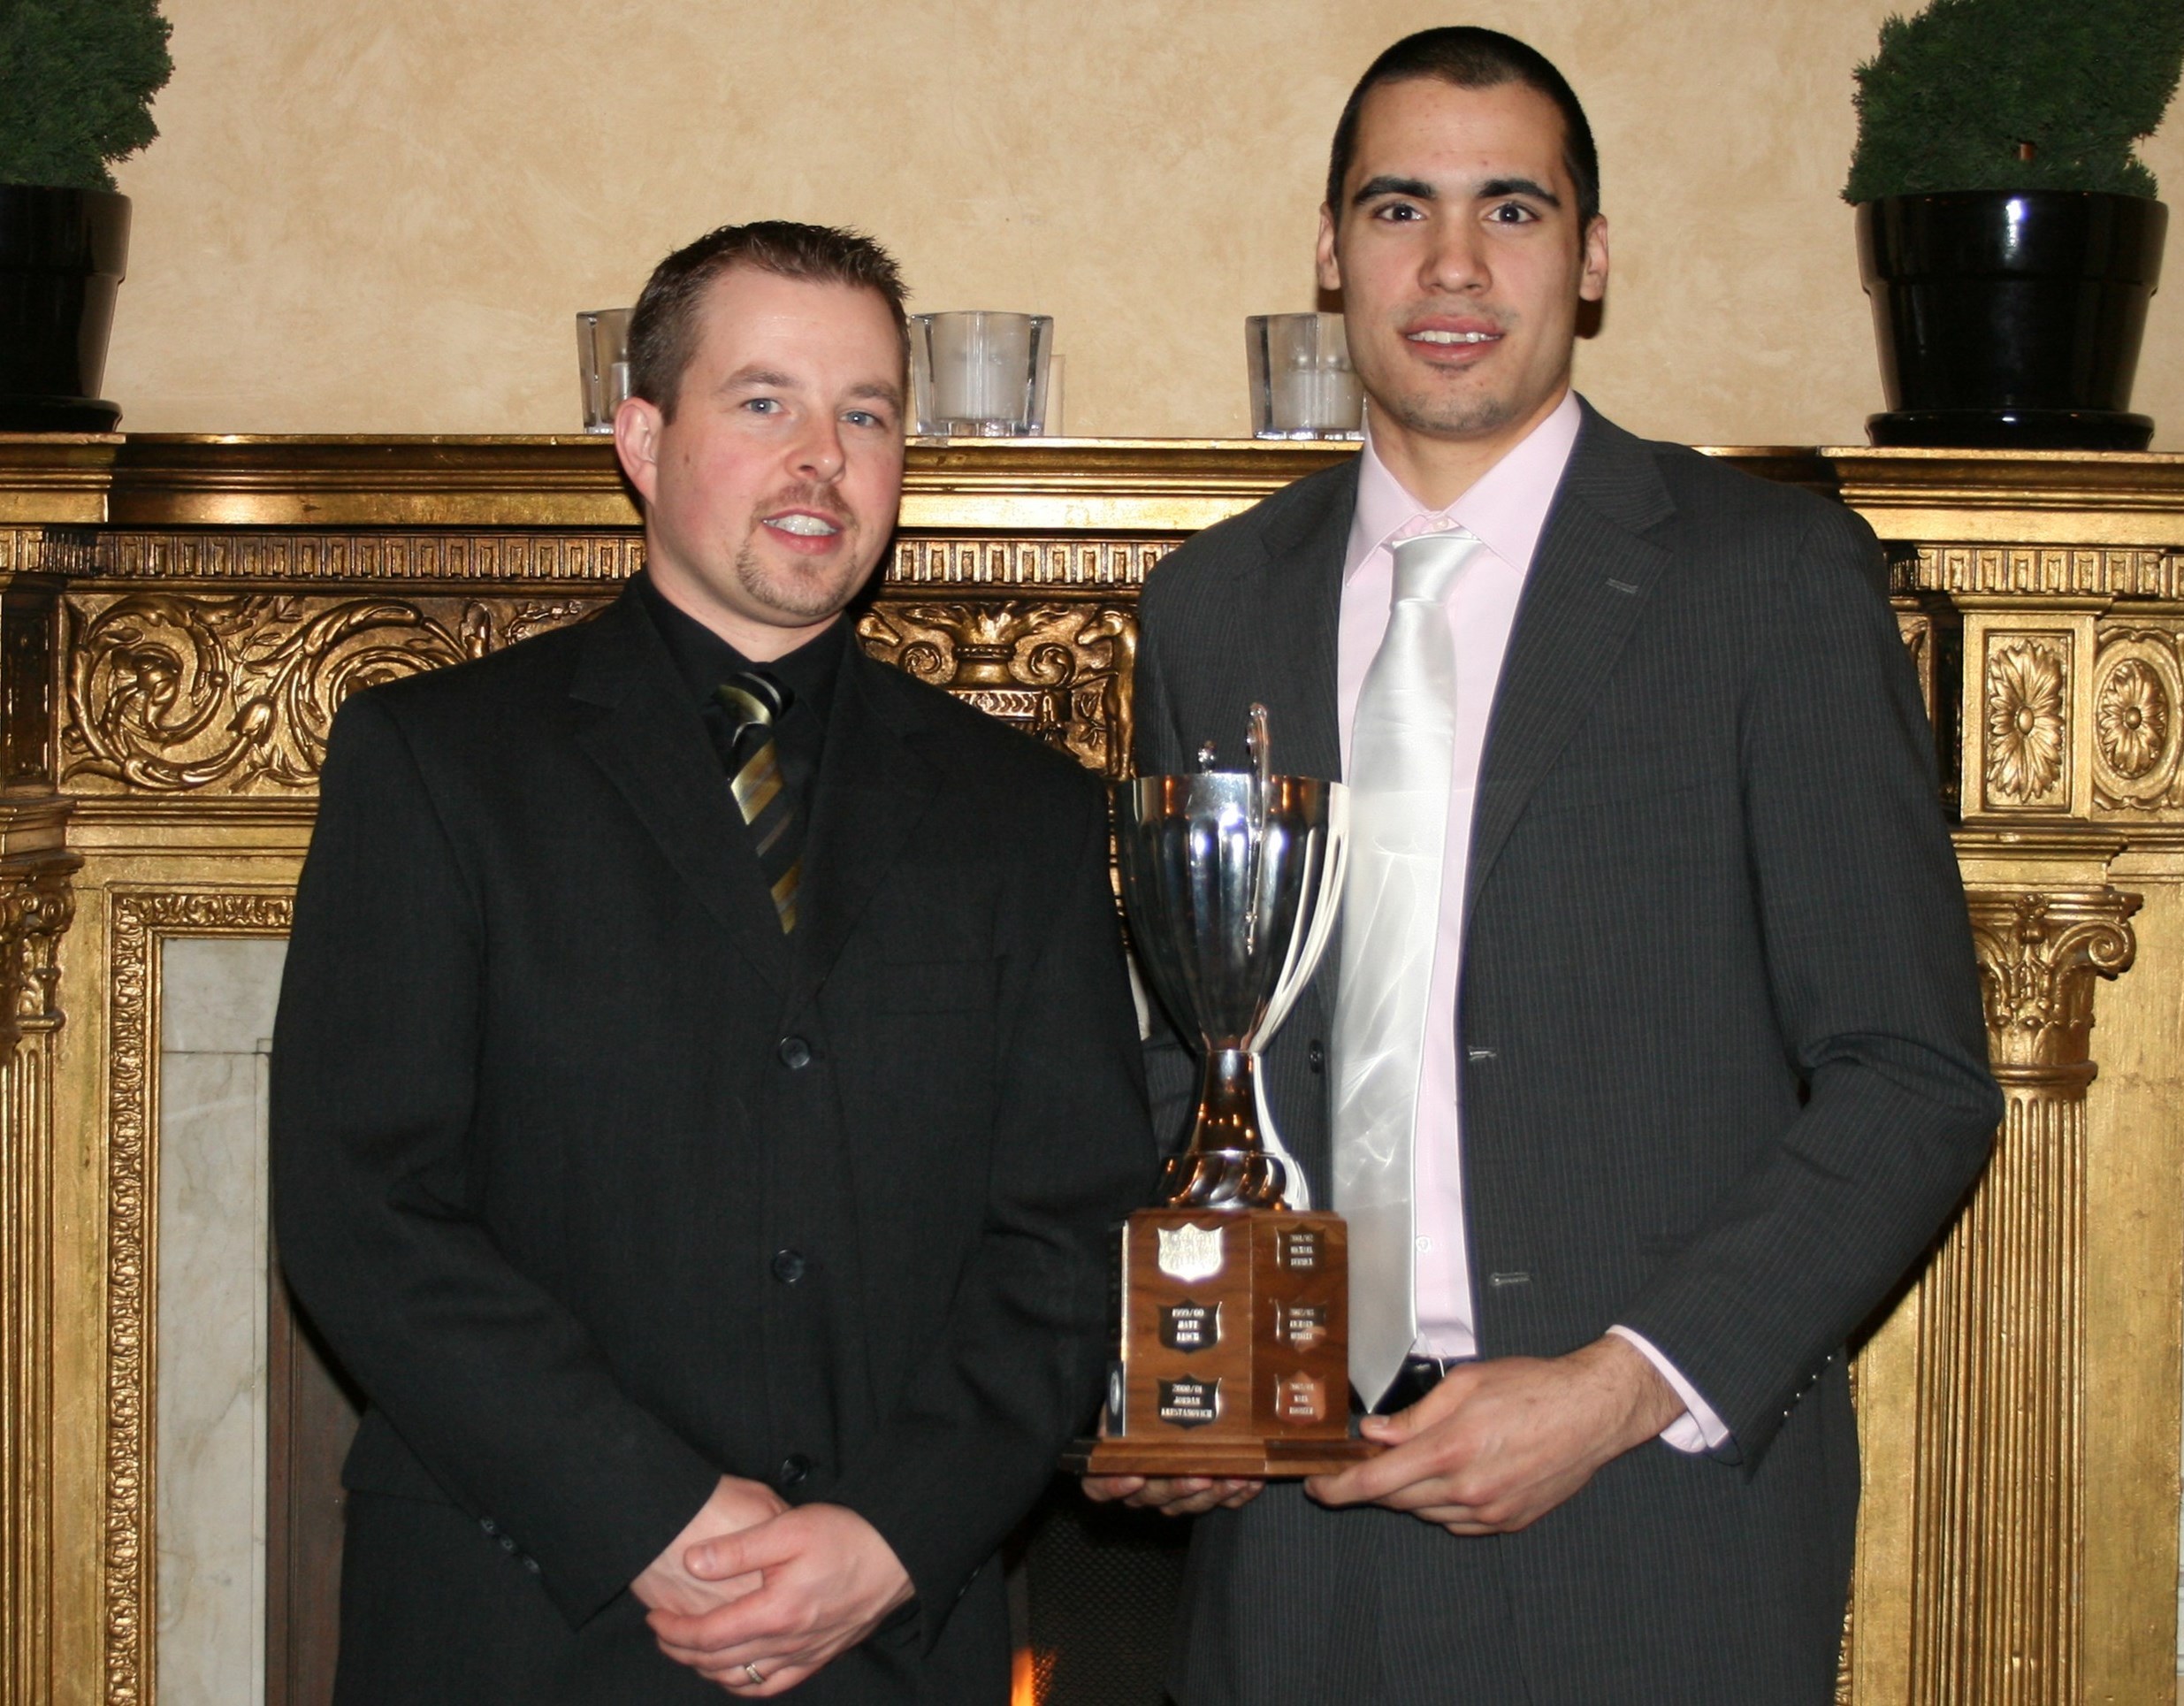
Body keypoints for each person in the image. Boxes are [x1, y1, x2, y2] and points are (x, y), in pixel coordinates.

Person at [1087, 28, 2001, 1703]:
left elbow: (1912, 1074)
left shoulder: (1768, 581)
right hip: (1293, 1544)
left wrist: (1617, 1385)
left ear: (1589, 256)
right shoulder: (1210, 606)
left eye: (1510, 209)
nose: (1449, 264)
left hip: (1649, 1527)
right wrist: (1191, 1372)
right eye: (1397, 208)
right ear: (1327, 249)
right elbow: (1179, 1048)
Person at [271, 220, 1150, 1703]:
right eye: (764, 402)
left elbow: (1071, 1230)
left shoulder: (1029, 810)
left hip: (896, 1632)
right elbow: (364, 1208)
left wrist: (891, 1532)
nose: (822, 456)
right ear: (640, 435)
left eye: (864, 413)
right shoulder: (436, 765)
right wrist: (653, 1513)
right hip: (521, 1617)